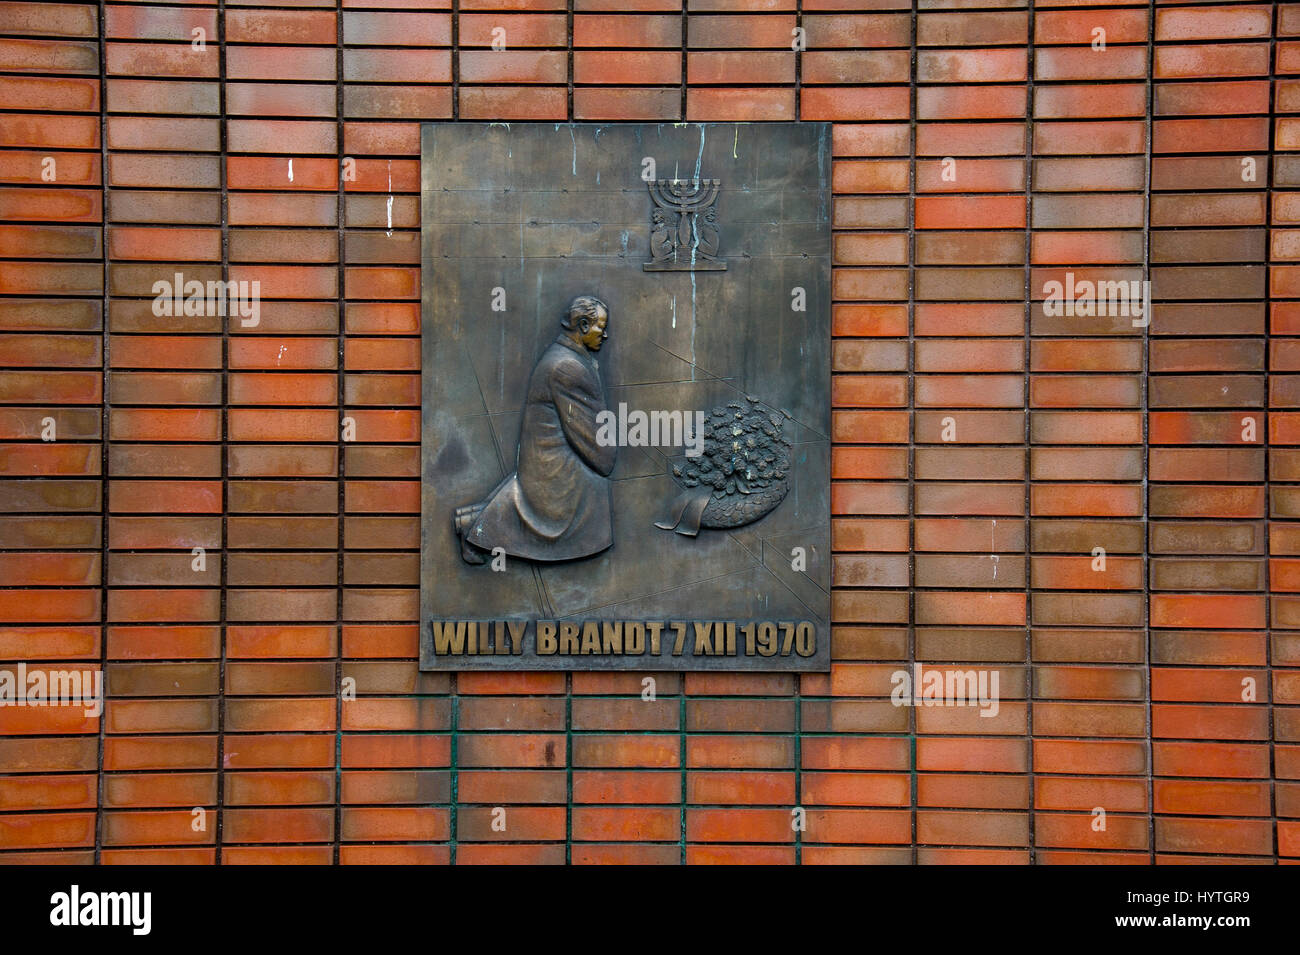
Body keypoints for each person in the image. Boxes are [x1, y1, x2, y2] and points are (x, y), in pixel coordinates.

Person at [454, 295, 615, 564]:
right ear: (584, 326)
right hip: (555, 472)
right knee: (594, 491)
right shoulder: (567, 367)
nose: (606, 334)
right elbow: (598, 448)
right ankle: (476, 529)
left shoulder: (564, 357)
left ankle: (474, 522)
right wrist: (606, 455)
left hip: (547, 461)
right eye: (601, 326)